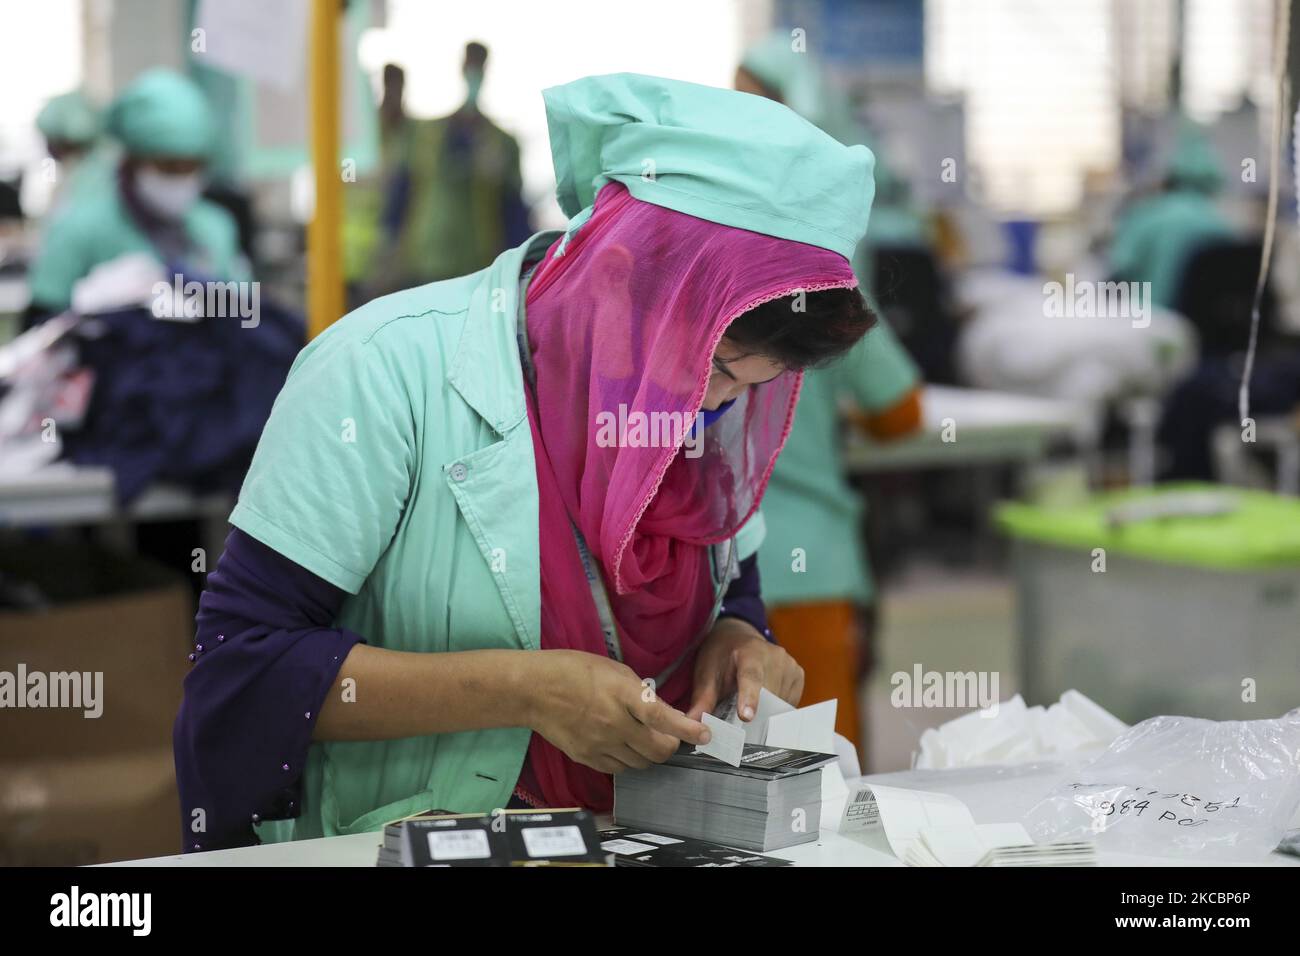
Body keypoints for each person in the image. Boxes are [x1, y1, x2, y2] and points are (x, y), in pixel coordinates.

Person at [174, 73, 879, 851]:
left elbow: (731, 595)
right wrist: (526, 690)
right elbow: (242, 670)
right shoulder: (383, 372)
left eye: (753, 386)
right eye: (715, 367)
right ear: (620, 278)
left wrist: (743, 642)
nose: (711, 408)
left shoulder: (704, 411)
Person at [737, 34, 923, 755]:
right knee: (821, 790)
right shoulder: (821, 266)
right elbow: (900, 412)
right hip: (802, 560)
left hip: (706, 571)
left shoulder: (702, 249)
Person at [25, 69, 247, 320]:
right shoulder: (78, 230)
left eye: (192, 166)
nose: (181, 178)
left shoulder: (215, 228)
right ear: (133, 163)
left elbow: (244, 315)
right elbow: (40, 324)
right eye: (168, 166)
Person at [374, 42, 531, 292]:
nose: (473, 75)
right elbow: (399, 194)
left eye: (478, 67)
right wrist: (387, 251)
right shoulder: (424, 134)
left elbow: (515, 212)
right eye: (470, 66)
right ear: (461, 68)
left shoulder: (501, 143)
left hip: (477, 266)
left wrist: (521, 270)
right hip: (423, 263)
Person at [1108, 120, 1236, 309]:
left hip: (1153, 326)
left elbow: (1119, 275)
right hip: (1205, 332)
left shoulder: (1146, 217)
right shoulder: (1222, 227)